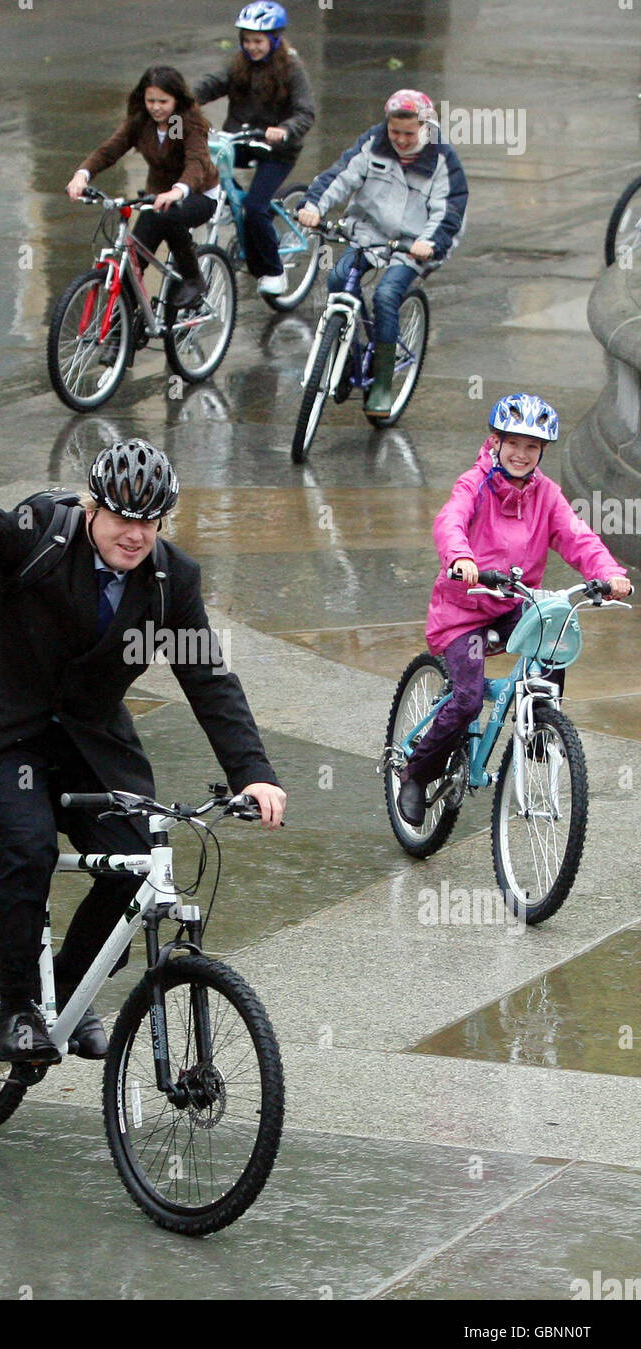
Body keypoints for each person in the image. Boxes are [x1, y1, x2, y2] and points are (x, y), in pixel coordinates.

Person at [0, 399, 287, 1063]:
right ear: (93, 509)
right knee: (28, 848)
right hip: (4, 730)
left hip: (88, 742)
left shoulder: (172, 580)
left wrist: (254, 771)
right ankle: (20, 1009)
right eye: (121, 517)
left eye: (149, 520)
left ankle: (71, 988)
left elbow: (210, 681)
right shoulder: (43, 537)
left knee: (137, 863)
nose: (135, 534)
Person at [397, 393, 631, 827]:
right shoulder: (475, 483)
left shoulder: (546, 494)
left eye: (532, 447)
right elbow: (449, 521)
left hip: (513, 606)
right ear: (496, 442)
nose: (522, 454)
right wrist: (461, 559)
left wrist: (609, 573)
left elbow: (577, 537)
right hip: (463, 613)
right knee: (467, 699)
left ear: (542, 453)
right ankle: (416, 774)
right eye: (514, 443)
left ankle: (541, 724)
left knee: (555, 628)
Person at [298, 89, 468, 416]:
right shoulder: (373, 142)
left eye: (409, 133)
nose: (400, 140)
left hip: (414, 241)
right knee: (337, 280)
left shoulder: (441, 158)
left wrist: (429, 243)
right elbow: (340, 176)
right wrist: (313, 206)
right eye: (394, 132)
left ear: (425, 125)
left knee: (387, 295)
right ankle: (347, 355)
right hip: (368, 232)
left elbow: (450, 210)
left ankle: (382, 384)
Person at [66, 66, 219, 309]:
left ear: (177, 100)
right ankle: (120, 331)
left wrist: (178, 190)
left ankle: (193, 278)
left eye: (163, 101)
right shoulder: (141, 123)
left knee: (169, 215)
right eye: (151, 100)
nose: (156, 107)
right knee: (133, 262)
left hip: (197, 194)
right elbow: (109, 151)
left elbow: (195, 162)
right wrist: (82, 175)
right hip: (156, 199)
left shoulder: (182, 123)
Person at [194, 1, 315, 297]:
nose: (252, 47)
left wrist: (285, 130)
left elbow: (305, 112)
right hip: (242, 140)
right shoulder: (239, 65)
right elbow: (213, 84)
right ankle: (233, 205)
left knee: (255, 208)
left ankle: (274, 270)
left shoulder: (292, 69)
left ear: (275, 39)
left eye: (258, 41)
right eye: (246, 40)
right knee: (204, 173)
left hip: (277, 149)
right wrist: (184, 102)